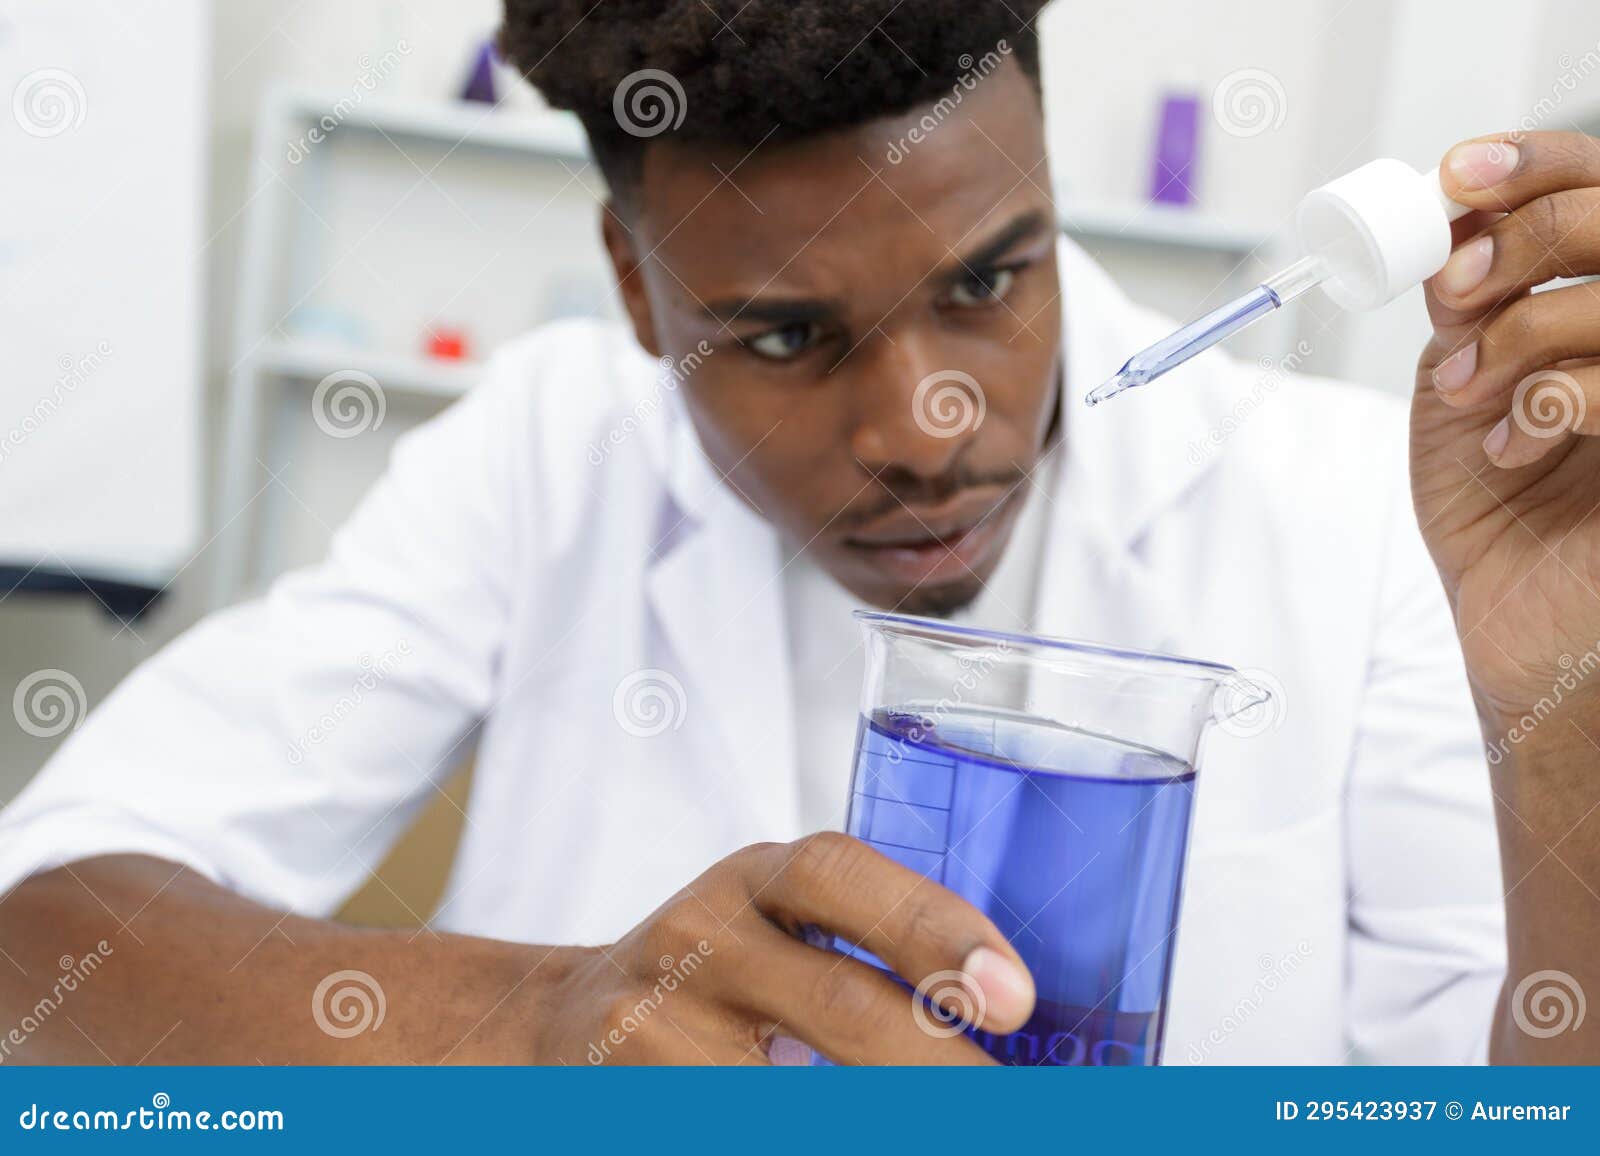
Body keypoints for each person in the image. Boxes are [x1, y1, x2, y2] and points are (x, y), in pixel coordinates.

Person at [2, 1, 1598, 1066]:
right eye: (781, 338)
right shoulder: (549, 450)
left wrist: (1568, 714)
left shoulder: (1355, 508)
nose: (924, 431)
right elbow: (40, 938)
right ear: (639, 294)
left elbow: (1523, 1093)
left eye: (988, 281)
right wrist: (539, 1019)